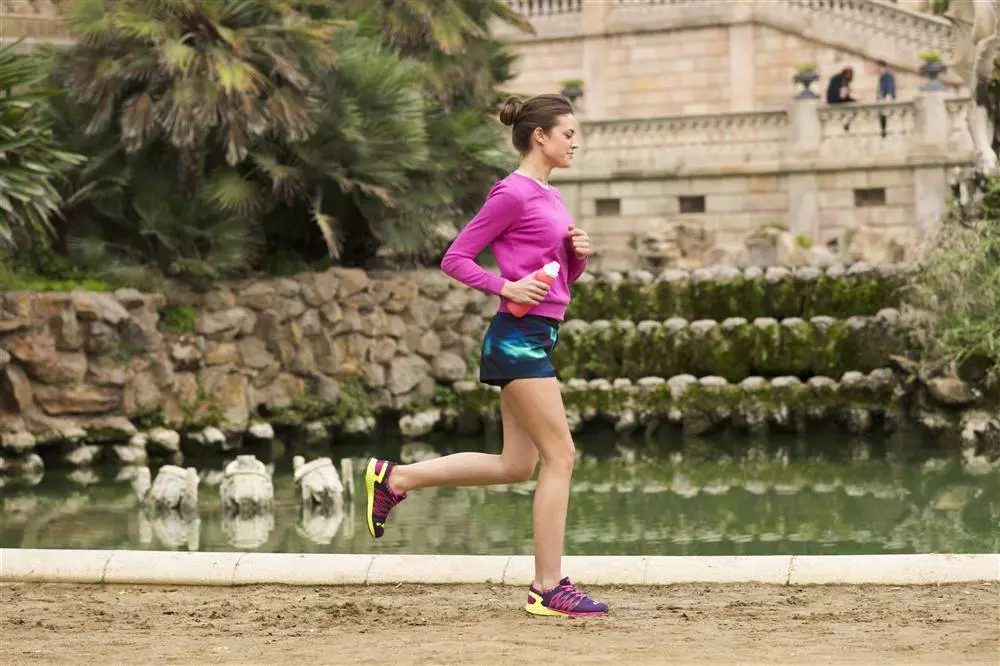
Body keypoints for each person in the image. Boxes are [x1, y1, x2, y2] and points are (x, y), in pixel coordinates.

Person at [363, 93, 609, 618]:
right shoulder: (511, 193)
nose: (575, 142)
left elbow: (557, 280)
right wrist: (508, 288)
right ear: (540, 135)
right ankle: (548, 588)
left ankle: (396, 479)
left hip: (538, 334)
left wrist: (576, 257)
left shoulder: (550, 195)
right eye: (568, 133)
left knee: (515, 465)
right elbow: (454, 258)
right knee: (561, 457)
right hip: (516, 339)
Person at [876, 60, 897, 138]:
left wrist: (887, 100)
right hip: (883, 101)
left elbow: (889, 91)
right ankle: (883, 132)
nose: (878, 70)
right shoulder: (883, 77)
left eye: (879, 68)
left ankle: (884, 132)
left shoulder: (887, 76)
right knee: (882, 119)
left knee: (884, 118)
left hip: (885, 102)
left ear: (883, 67)